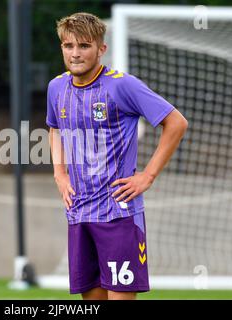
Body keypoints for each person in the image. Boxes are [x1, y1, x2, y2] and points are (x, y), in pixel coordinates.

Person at [46, 12, 188, 300]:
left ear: (101, 49)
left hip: (118, 215)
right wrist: (59, 174)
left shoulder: (122, 86)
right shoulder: (56, 87)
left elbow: (176, 123)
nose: (75, 54)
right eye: (68, 46)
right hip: (79, 214)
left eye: (84, 46)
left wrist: (147, 176)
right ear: (61, 47)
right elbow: (54, 129)